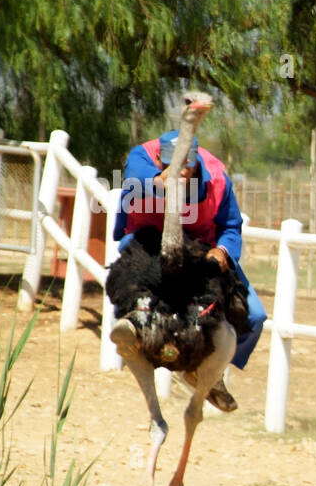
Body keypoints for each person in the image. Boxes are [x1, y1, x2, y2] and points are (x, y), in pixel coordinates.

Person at [113, 125, 267, 411]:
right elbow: (135, 180)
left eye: (186, 164)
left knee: (255, 316)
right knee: (129, 289)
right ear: (159, 159)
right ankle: (131, 337)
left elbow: (231, 226)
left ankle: (211, 372)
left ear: (196, 162)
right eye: (171, 162)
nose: (180, 170)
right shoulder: (142, 157)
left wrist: (222, 250)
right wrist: (161, 181)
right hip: (146, 241)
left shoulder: (217, 178)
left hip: (201, 247)